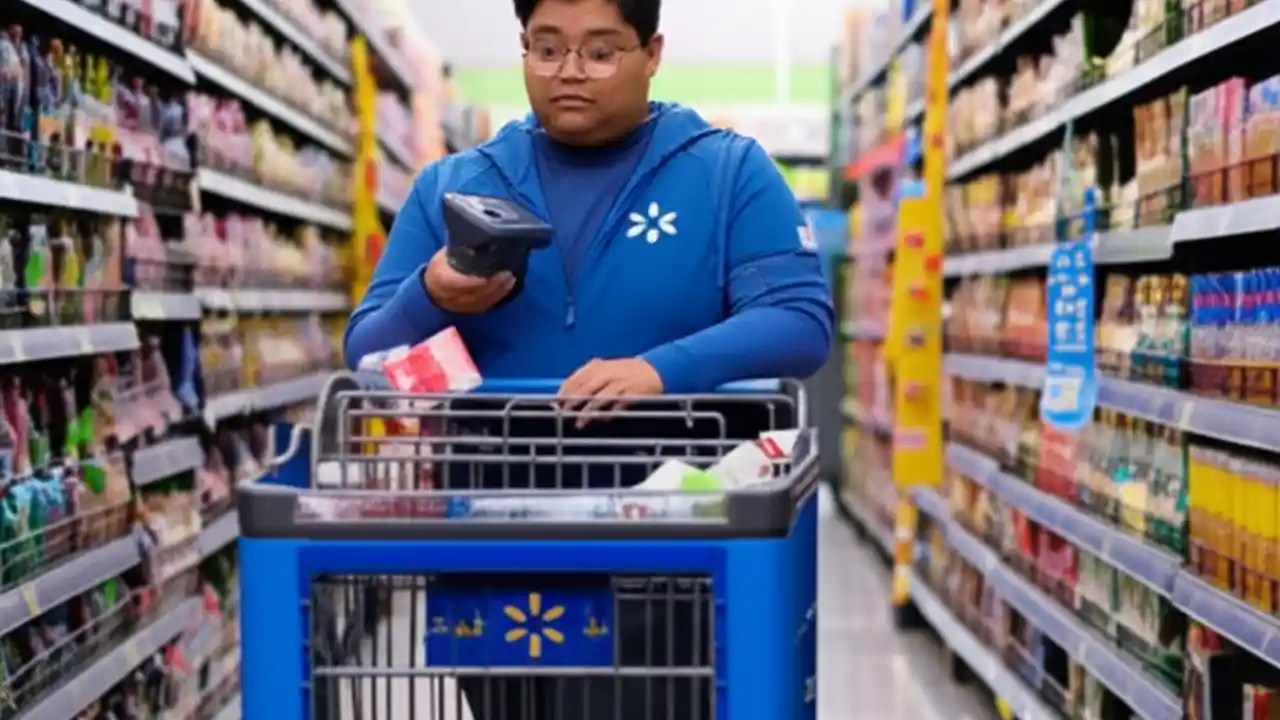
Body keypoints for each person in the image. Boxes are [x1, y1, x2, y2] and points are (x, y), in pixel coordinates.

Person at [343, 0, 832, 717]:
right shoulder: (454, 184)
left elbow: (800, 321)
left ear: (652, 52)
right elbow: (367, 352)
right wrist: (432, 294)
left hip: (674, 533)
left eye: (601, 52)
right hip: (494, 533)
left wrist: (661, 370)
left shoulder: (728, 173)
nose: (570, 73)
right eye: (547, 49)